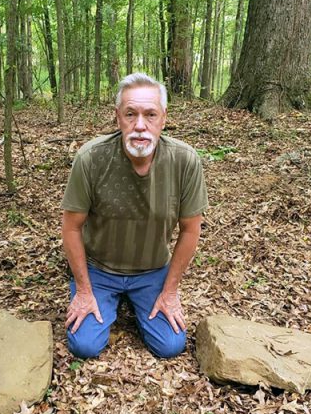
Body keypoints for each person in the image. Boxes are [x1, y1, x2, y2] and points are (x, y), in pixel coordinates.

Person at [61, 72, 207, 358]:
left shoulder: (184, 161)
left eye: (150, 114)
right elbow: (71, 227)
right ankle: (105, 297)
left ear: (163, 118)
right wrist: (84, 291)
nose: (140, 125)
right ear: (118, 117)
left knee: (170, 345)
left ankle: (137, 299)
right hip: (99, 268)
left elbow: (191, 230)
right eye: (131, 114)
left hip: (152, 270)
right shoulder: (91, 158)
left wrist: (170, 292)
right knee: (85, 345)